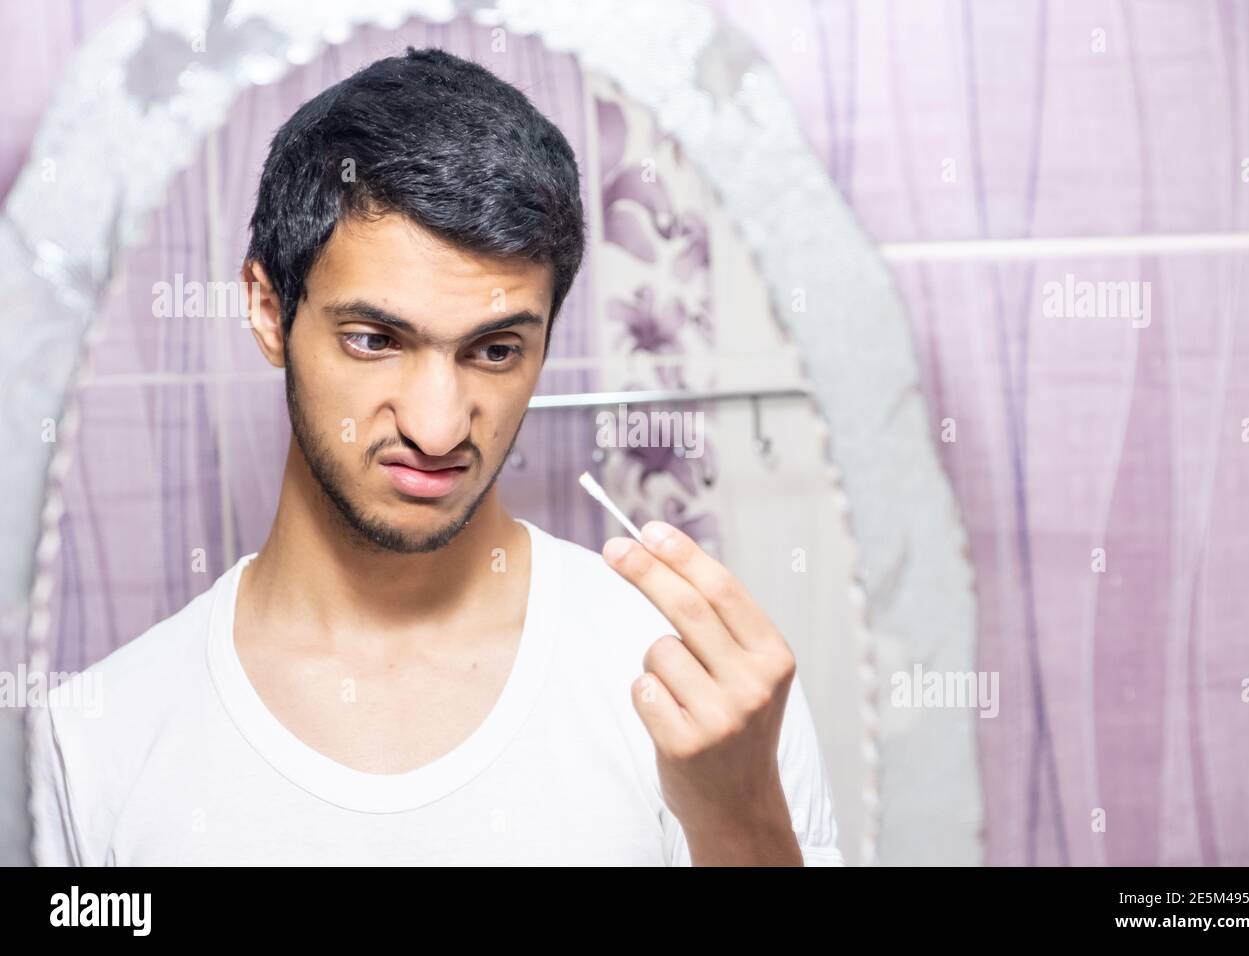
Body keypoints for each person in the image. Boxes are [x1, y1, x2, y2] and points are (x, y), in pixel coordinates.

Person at [29, 46, 844, 866]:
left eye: (493, 351)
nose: (438, 427)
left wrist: (739, 820)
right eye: (375, 339)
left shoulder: (697, 692)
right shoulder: (100, 742)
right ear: (269, 310)